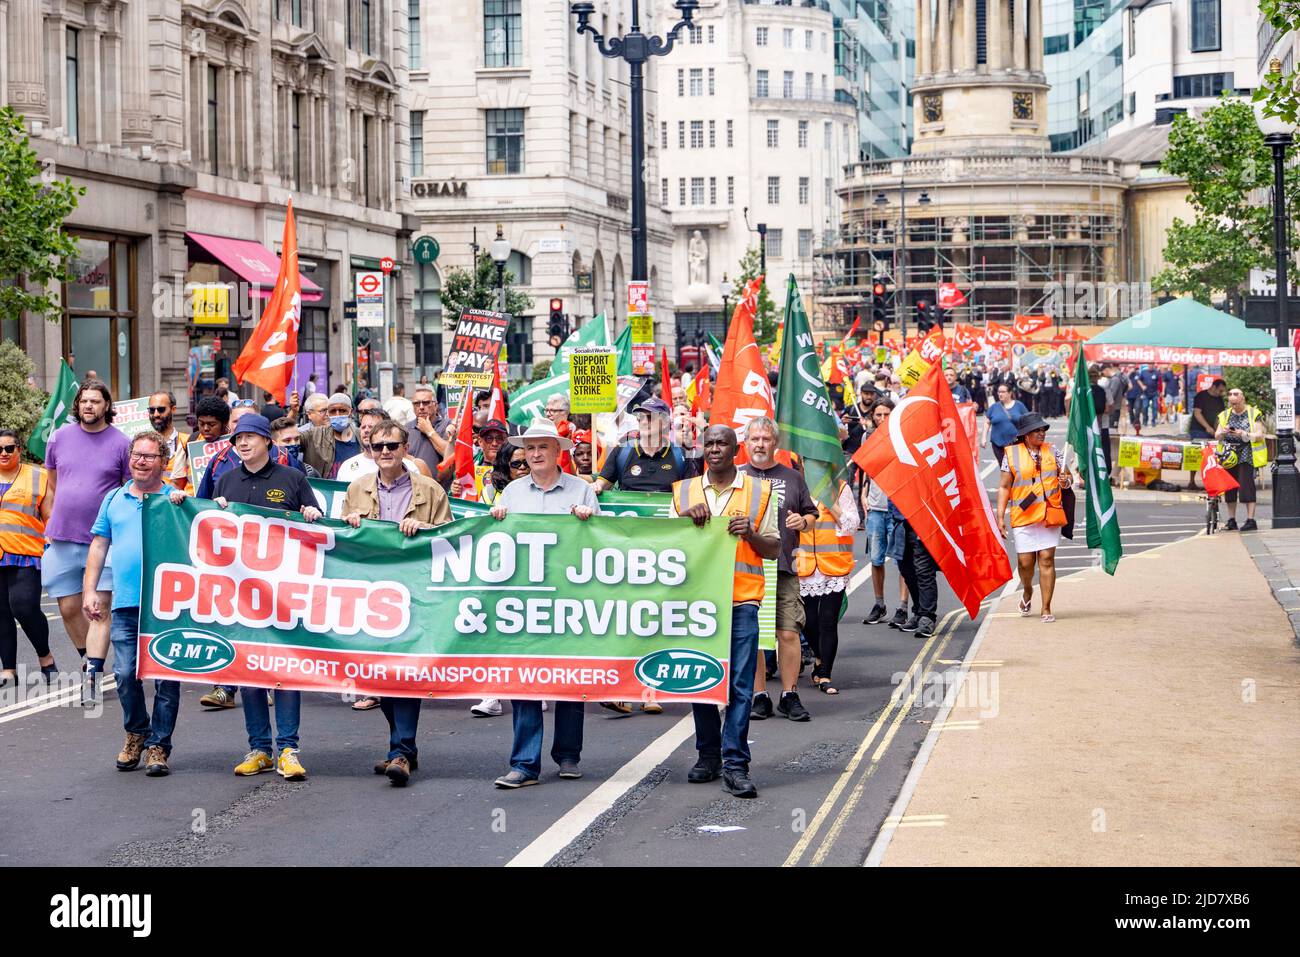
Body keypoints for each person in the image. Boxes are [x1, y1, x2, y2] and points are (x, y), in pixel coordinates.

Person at [187, 414, 323, 779]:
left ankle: (289, 749)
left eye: (249, 437)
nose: (242, 443)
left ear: (268, 442)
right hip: (241, 596)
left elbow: (319, 524)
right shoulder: (226, 479)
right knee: (249, 670)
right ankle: (260, 749)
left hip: (284, 593)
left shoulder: (292, 478)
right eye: (237, 439)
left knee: (284, 670)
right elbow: (198, 519)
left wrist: (310, 513)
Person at [488, 419, 600, 789]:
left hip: (569, 599)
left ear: (558, 452)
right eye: (530, 448)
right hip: (525, 601)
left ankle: (568, 754)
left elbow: (604, 543)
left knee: (569, 676)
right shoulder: (512, 493)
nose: (535, 454)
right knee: (525, 680)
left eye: (543, 448)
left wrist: (588, 522)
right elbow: (496, 546)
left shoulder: (581, 491)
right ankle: (524, 764)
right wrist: (496, 521)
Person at [671, 425, 779, 799]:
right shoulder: (683, 492)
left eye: (722, 444)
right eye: (710, 443)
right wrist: (686, 521)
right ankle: (708, 755)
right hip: (698, 603)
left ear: (737, 450)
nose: (714, 449)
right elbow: (666, 549)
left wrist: (751, 533)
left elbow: (774, 550)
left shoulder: (760, 492)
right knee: (700, 680)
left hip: (742, 600)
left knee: (740, 687)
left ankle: (736, 764)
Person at [342, 420, 453, 786]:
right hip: (373, 597)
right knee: (382, 676)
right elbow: (341, 539)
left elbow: (449, 539)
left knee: (405, 674)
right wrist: (350, 524)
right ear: (370, 451)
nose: (385, 452)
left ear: (406, 447)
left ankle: (400, 752)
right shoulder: (357, 489)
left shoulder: (430, 489)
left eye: (392, 445)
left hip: (416, 596)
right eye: (378, 447)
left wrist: (424, 532)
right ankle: (403, 746)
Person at [83, 431, 180, 776]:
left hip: (168, 605)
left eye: (149, 456)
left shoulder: (176, 499)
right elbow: (98, 546)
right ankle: (136, 732)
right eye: (136, 455)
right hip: (125, 602)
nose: (140, 461)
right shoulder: (114, 498)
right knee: (125, 674)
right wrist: (89, 590)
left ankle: (159, 746)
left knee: (166, 677)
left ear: (163, 462)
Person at [40, 378, 131, 701]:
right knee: (68, 608)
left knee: (99, 609)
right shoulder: (59, 438)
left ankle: (93, 670)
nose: (89, 406)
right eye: (84, 401)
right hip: (61, 537)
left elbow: (127, 491)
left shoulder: (122, 443)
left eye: (95, 401)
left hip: (103, 541)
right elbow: (52, 485)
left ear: (107, 406)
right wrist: (49, 521)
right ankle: (85, 656)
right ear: (77, 406)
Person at [739, 417, 819, 722]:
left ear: (776, 443)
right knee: (754, 636)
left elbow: (811, 514)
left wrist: (803, 522)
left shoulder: (792, 477)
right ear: (745, 443)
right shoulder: (736, 477)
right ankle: (759, 695)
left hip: (783, 568)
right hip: (747, 569)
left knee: (788, 633)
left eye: (766, 439)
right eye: (755, 439)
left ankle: (789, 694)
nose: (760, 444)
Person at [997, 412, 1071, 623]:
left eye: (1042, 430)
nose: (1041, 433)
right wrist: (1000, 517)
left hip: (1049, 514)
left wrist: (1066, 480)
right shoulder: (1011, 454)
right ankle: (1028, 590)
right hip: (1023, 515)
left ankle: (1046, 608)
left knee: (1047, 559)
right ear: (1025, 435)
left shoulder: (1054, 451)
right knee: (1025, 562)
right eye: (1036, 430)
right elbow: (1004, 487)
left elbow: (1067, 479)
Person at [0, 429, 56, 688]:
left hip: (26, 553)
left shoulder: (38, 476)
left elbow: (50, 516)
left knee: (23, 606)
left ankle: (45, 657)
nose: (3, 453)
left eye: (9, 448)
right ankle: (8, 669)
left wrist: (55, 546)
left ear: (19, 450)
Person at [795, 474, 859, 695]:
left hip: (834, 565)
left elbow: (852, 524)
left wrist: (831, 505)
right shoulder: (797, 485)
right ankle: (821, 657)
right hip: (804, 565)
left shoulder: (841, 489)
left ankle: (825, 674)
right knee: (808, 621)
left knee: (828, 621)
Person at [859, 400, 905, 625]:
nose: (882, 418)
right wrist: (863, 493)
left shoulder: (901, 436)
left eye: (887, 413)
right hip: (876, 508)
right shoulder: (867, 438)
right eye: (878, 414)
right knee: (876, 560)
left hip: (898, 507)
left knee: (901, 560)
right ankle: (879, 604)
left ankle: (903, 606)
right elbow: (865, 469)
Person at [594, 398, 688, 494]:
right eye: (641, 417)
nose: (643, 422)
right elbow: (601, 485)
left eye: (650, 417)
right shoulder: (621, 451)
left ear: (665, 423)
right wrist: (595, 486)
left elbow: (688, 496)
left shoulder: (681, 456)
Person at [1215, 387, 1267, 532]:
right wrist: (1222, 432)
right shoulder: (1224, 415)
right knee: (1229, 488)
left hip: (1246, 455)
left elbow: (1259, 434)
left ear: (1243, 398)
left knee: (1246, 487)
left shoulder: (1253, 413)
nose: (1233, 398)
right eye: (1230, 395)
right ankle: (1232, 520)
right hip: (1228, 455)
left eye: (1236, 395)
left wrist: (1244, 434)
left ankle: (1251, 520)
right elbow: (1217, 435)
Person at [335, 409, 430, 482]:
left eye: (372, 427)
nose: (366, 430)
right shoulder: (347, 467)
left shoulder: (409, 467)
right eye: (363, 427)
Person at [301, 392, 362, 478]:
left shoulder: (361, 436)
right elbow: (290, 439)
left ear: (350, 412)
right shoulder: (314, 435)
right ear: (328, 413)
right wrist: (293, 413)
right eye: (333, 411)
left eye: (342, 411)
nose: (337, 415)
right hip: (324, 490)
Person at [405, 384, 450, 473]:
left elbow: (448, 454)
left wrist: (429, 431)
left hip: (439, 485)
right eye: (417, 403)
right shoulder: (406, 429)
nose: (421, 407)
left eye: (426, 403)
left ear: (435, 405)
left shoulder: (447, 425)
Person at [147, 392, 190, 484]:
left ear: (173, 409)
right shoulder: (144, 444)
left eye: (161, 409)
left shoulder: (187, 442)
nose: (155, 414)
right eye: (151, 410)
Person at [982, 382, 1028, 467]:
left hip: (1015, 443)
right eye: (999, 392)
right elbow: (987, 422)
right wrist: (984, 438)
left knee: (1016, 468)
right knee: (1004, 468)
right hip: (998, 444)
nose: (1000, 394)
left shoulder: (1019, 405)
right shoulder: (994, 407)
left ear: (1010, 393)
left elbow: (1028, 421)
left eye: (1003, 392)